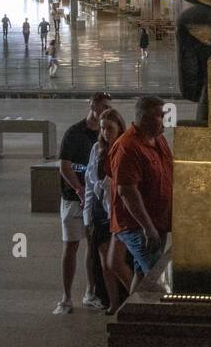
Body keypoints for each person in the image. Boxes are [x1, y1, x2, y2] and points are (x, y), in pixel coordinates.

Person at [55, 93, 114, 313]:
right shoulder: (74, 133)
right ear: (92, 105)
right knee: (71, 244)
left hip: (95, 202)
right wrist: (79, 190)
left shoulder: (104, 135)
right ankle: (66, 297)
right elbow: (65, 166)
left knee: (93, 246)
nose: (104, 111)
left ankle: (90, 292)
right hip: (72, 199)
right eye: (102, 106)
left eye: (108, 107)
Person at [109, 95, 174, 280]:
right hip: (137, 226)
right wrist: (147, 227)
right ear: (144, 118)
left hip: (157, 221)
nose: (164, 120)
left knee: (142, 277)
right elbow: (127, 192)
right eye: (160, 116)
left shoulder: (158, 141)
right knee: (160, 277)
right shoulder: (127, 147)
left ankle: (131, 309)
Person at [85, 106, 128, 312]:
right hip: (101, 210)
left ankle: (131, 298)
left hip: (119, 211)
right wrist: (87, 214)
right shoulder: (97, 149)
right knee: (105, 263)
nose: (105, 132)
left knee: (118, 261)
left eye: (109, 128)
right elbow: (89, 181)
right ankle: (113, 302)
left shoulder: (124, 149)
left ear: (119, 127)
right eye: (102, 128)